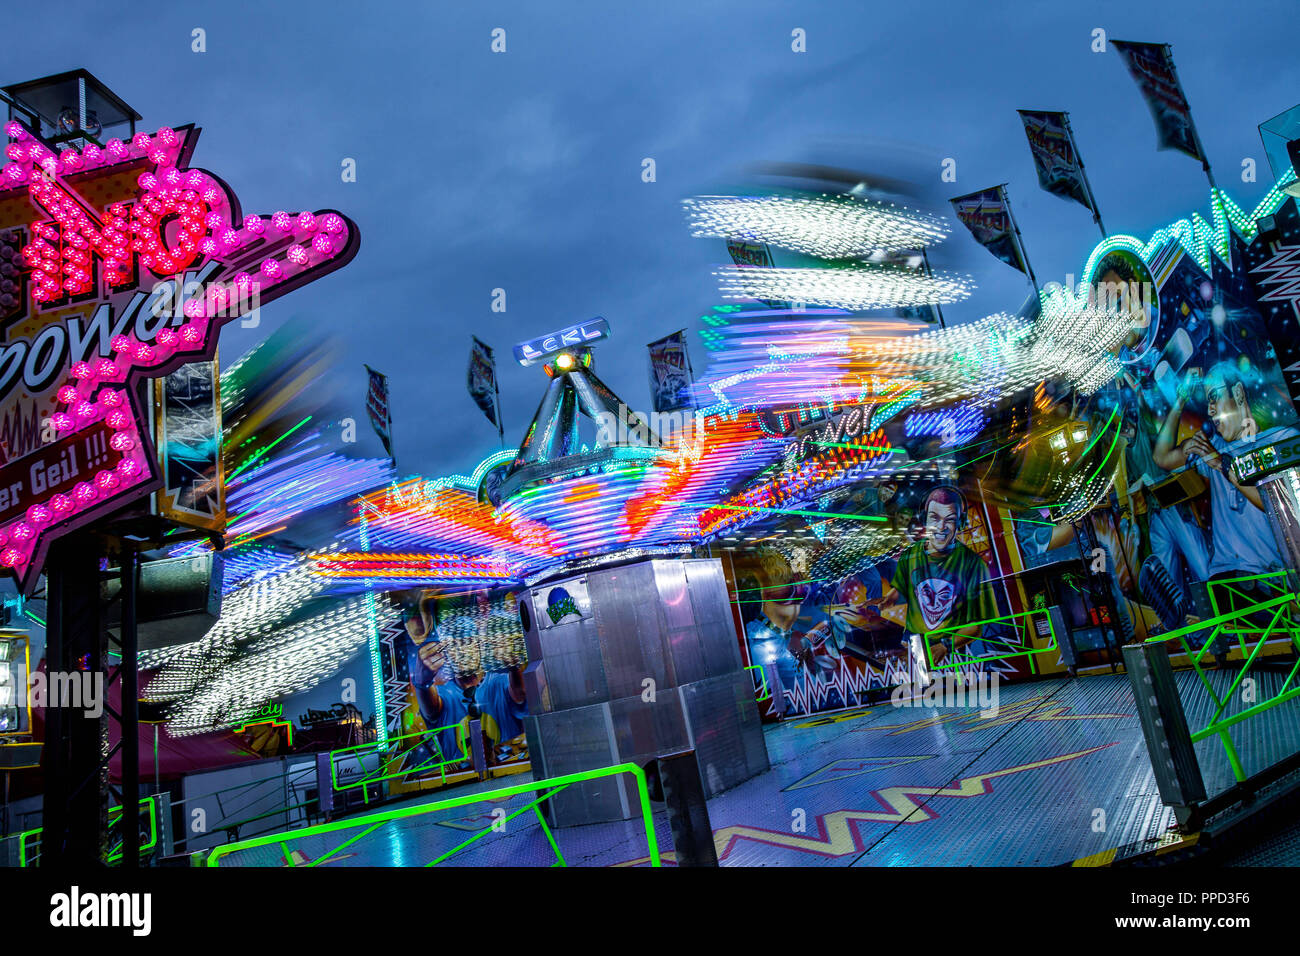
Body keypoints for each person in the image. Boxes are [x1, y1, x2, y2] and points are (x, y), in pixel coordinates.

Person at [1153, 362, 1299, 656]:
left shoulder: (1276, 440)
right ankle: (1179, 617)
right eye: (1205, 400)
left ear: (1238, 394)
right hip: (1228, 580)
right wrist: (1181, 398)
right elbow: (1162, 457)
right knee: (1168, 517)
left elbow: (1272, 501)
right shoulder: (1215, 448)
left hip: (1269, 581)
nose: (1209, 411)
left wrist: (1221, 464)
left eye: (1213, 397)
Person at [875, 486, 998, 679]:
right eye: (934, 518)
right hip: (916, 647)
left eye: (949, 520)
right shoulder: (910, 556)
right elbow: (899, 586)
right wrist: (888, 599)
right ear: (924, 521)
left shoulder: (973, 565)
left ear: (960, 522)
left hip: (957, 655)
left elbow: (976, 626)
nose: (941, 527)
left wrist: (945, 646)